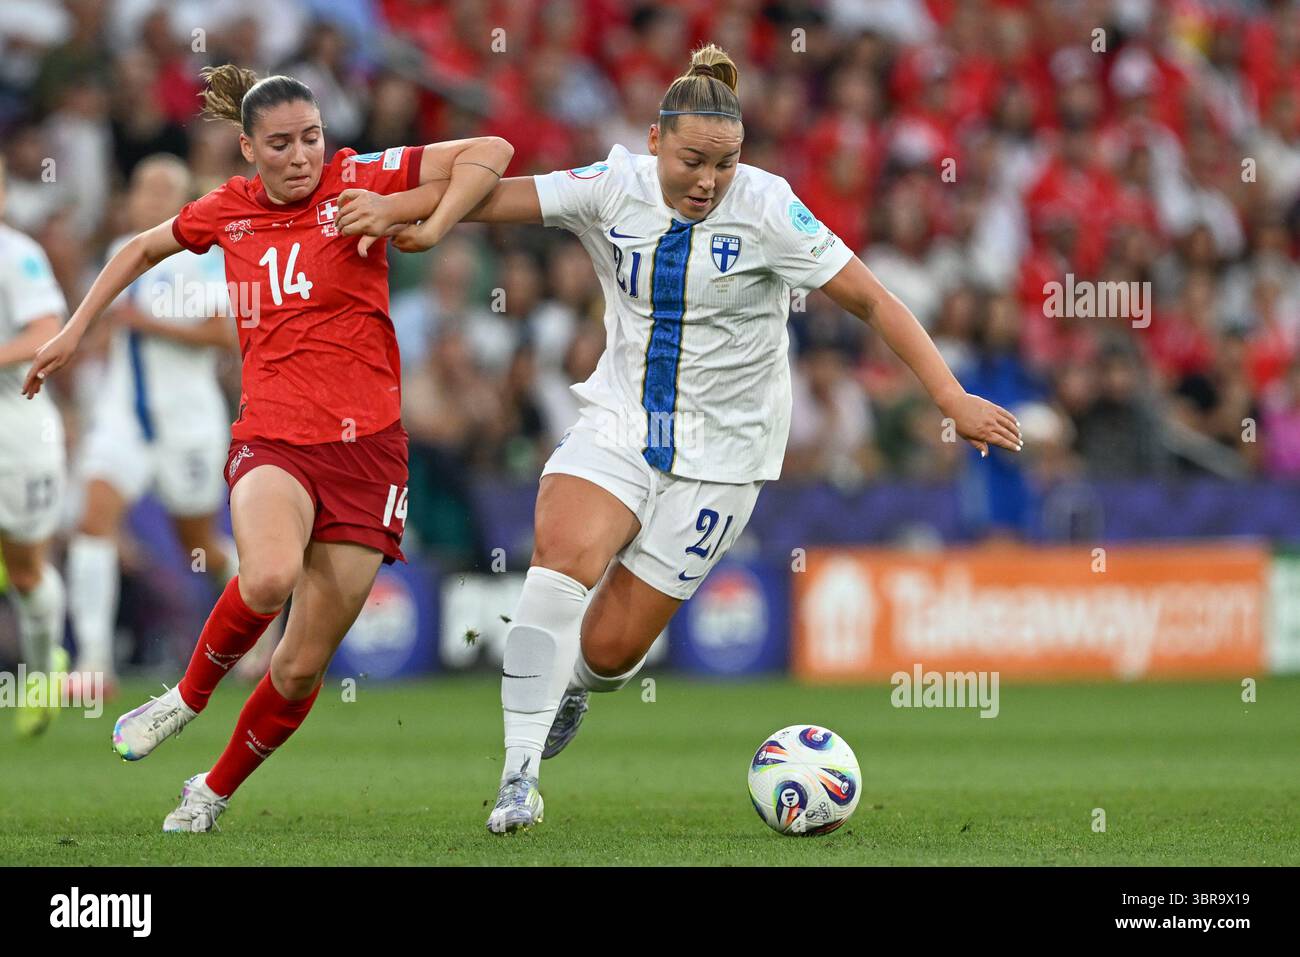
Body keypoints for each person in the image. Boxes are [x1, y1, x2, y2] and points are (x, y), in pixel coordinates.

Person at [339, 44, 1021, 833]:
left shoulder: (769, 208)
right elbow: (496, 196)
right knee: (559, 560)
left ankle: (575, 689)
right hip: (622, 420)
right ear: (656, 140)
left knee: (612, 650)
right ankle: (518, 776)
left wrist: (951, 395)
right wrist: (397, 210)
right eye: (693, 160)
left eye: (725, 164)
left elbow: (871, 300)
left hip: (726, 455)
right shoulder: (613, 184)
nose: (708, 180)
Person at [23, 64, 513, 832]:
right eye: (280, 144)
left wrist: (420, 217)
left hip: (371, 452)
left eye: (311, 138)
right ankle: (183, 698)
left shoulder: (360, 178)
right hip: (273, 437)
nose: (300, 157)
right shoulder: (228, 209)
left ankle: (209, 792)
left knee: (301, 662)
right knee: (271, 573)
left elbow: (492, 149)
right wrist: (74, 329)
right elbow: (138, 250)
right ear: (248, 149)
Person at [66, 154, 239, 696]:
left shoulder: (205, 259)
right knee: (94, 521)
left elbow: (225, 336)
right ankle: (93, 664)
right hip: (123, 416)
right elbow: (106, 327)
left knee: (198, 543)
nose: (149, 197)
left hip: (186, 422)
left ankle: (249, 606)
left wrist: (151, 324)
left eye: (164, 188)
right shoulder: (123, 253)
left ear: (186, 198)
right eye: (142, 186)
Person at [0, 154, 70, 737]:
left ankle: (44, 667)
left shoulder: (15, 253)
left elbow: (47, 327)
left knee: (24, 571)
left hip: (15, 429)